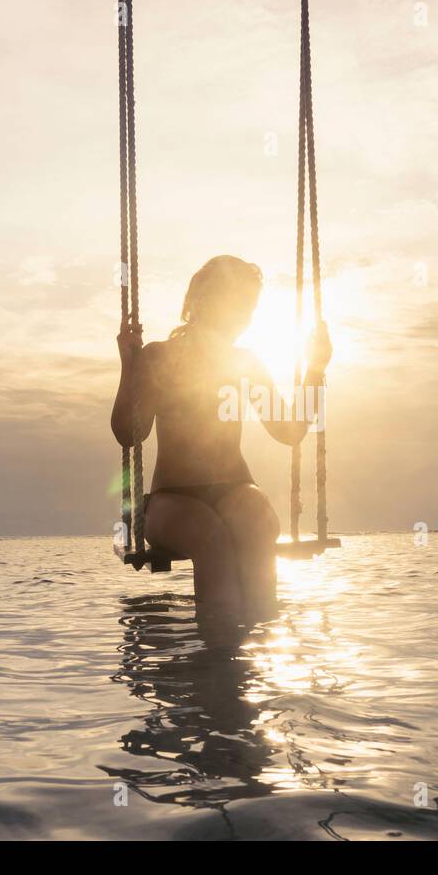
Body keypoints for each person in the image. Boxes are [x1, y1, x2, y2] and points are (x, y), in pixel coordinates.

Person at [112, 255, 331, 617]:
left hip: (236, 487)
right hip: (172, 500)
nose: (242, 317)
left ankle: (257, 642)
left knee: (256, 524)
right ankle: (218, 657)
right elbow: (128, 435)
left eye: (248, 307)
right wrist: (129, 368)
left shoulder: (244, 363)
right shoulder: (159, 357)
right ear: (199, 301)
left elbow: (289, 431)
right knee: (209, 534)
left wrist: (315, 370)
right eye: (234, 304)